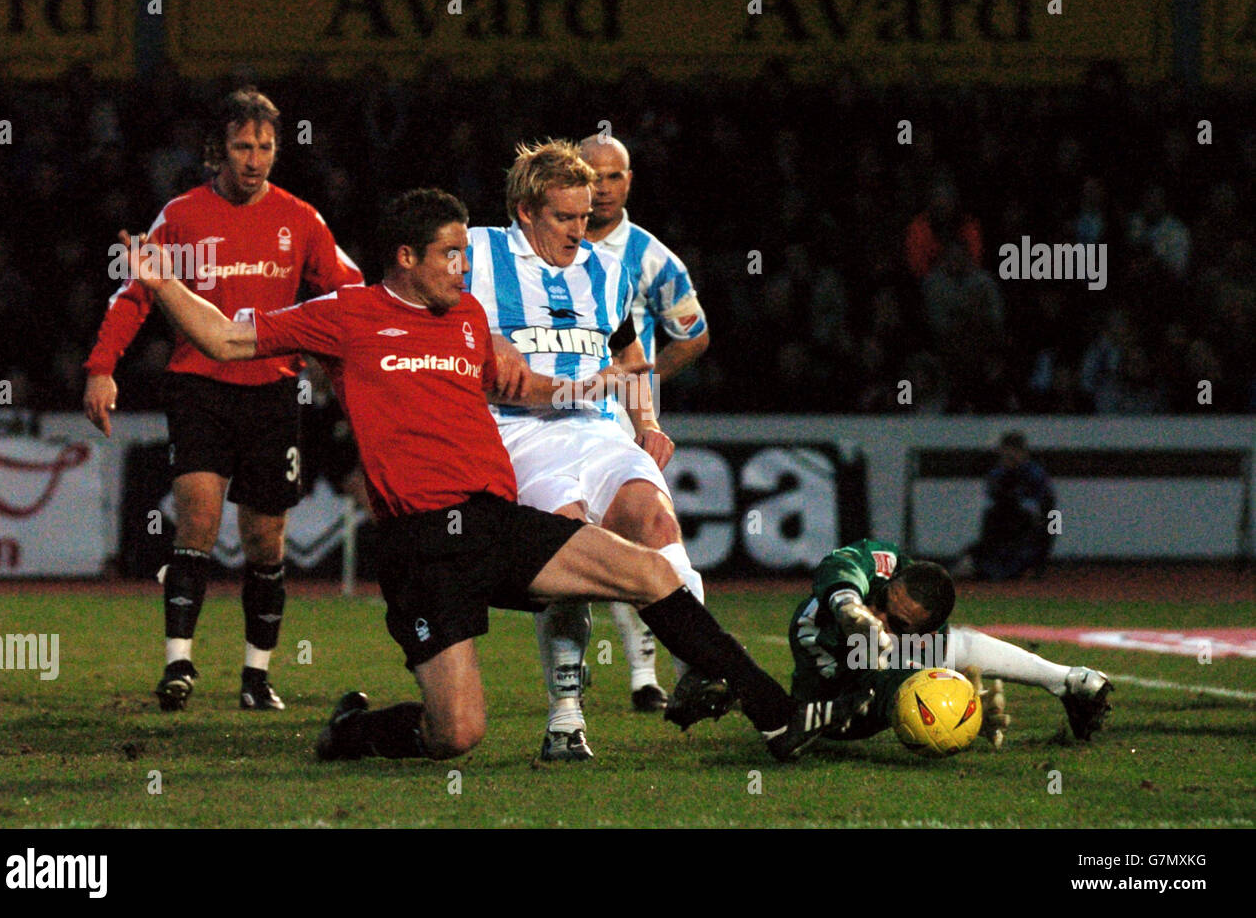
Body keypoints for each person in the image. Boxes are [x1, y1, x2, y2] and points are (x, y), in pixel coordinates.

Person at [118, 187, 876, 764]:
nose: (462, 265)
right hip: (418, 546)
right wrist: (159, 284)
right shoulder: (345, 315)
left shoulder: (472, 318)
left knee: (651, 572)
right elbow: (222, 337)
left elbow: (523, 390)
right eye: (448, 254)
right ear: (406, 258)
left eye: (463, 253)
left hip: (492, 522)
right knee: (457, 735)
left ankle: (778, 715)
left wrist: (599, 386)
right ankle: (351, 732)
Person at [82, 88, 363, 712]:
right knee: (199, 519)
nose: (254, 159)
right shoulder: (180, 216)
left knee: (266, 539)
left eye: (264, 147)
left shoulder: (303, 220)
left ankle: (256, 676)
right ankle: (178, 665)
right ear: (219, 150)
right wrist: (102, 368)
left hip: (272, 392)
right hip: (199, 386)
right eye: (242, 146)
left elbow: (350, 295)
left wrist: (360, 371)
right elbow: (136, 294)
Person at [464, 141, 721, 761]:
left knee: (658, 523)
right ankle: (566, 716)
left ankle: (703, 667)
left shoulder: (608, 270)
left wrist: (650, 420)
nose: (581, 231)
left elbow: (632, 358)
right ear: (525, 211)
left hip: (601, 431)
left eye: (585, 217)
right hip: (520, 434)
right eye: (565, 218)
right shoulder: (475, 252)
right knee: (571, 557)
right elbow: (415, 300)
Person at [577, 134, 710, 716]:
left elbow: (694, 334)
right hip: (553, 418)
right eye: (592, 176)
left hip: (621, 429)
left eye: (613, 177)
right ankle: (582, 674)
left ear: (629, 181)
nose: (602, 189)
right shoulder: (549, 238)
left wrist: (642, 391)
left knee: (644, 542)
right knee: (577, 547)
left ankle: (646, 675)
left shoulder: (652, 256)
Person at [778, 538, 1112, 750]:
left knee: (941, 658)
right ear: (891, 583)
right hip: (826, 666)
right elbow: (845, 561)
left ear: (921, 633)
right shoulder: (886, 572)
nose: (877, 616)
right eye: (882, 600)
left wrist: (959, 711)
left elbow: (889, 684)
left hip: (862, 684)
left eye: (897, 622)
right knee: (896, 682)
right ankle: (1067, 680)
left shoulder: (924, 639)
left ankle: (1069, 680)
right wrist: (848, 602)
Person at [953, 432, 1056, 581]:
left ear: (1022, 453)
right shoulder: (998, 474)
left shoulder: (1035, 474)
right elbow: (993, 501)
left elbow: (1046, 505)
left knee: (1052, 520)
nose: (1008, 459)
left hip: (1028, 528)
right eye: (1005, 455)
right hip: (1005, 526)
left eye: (1013, 455)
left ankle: (1033, 565)